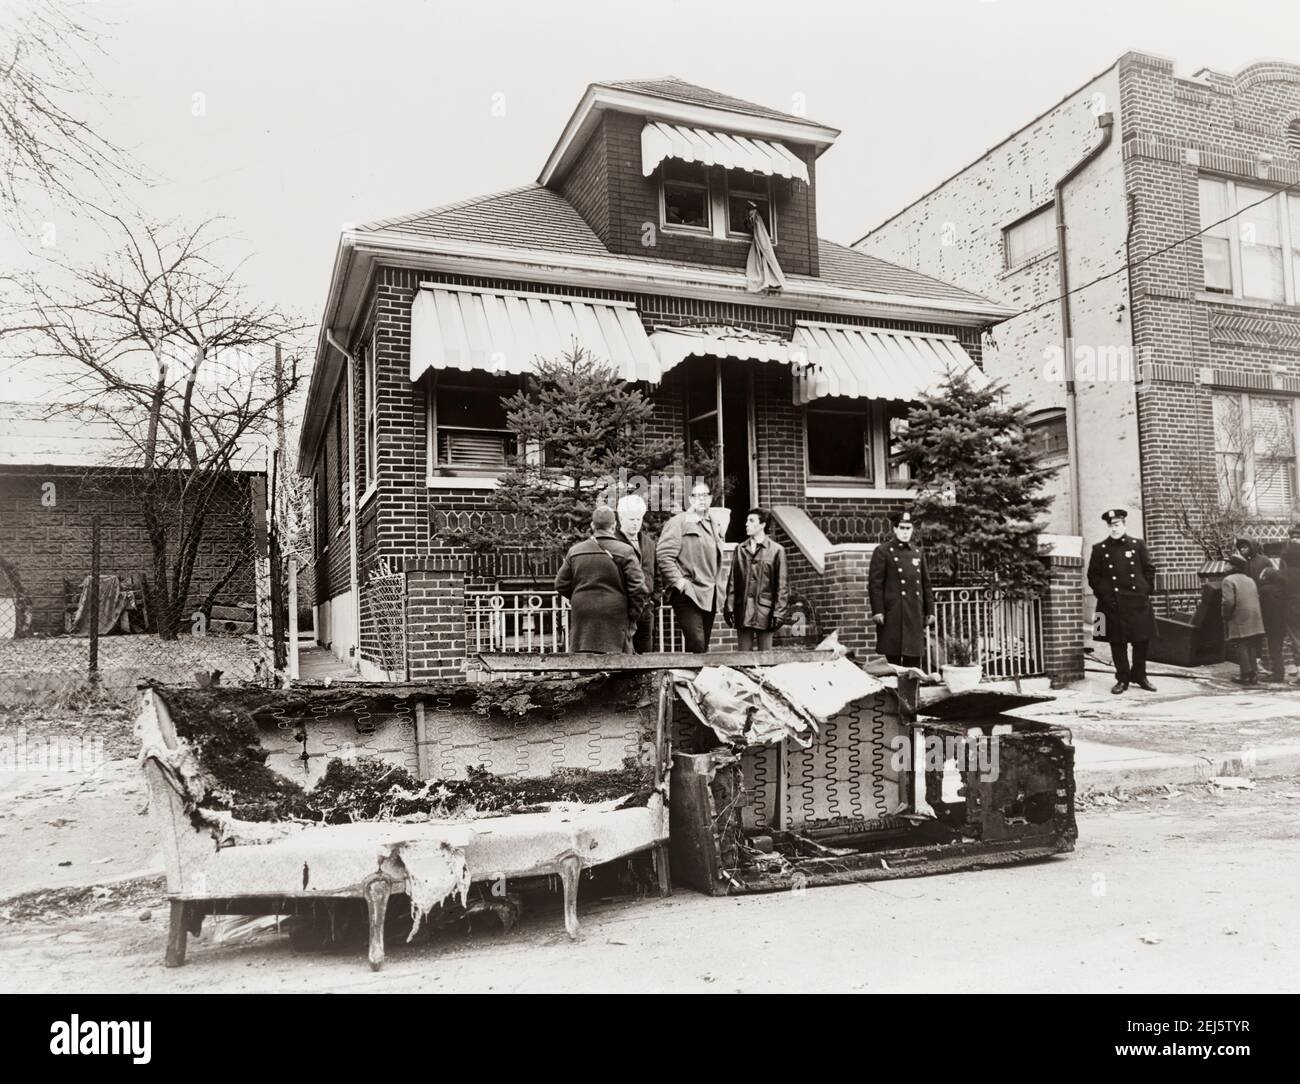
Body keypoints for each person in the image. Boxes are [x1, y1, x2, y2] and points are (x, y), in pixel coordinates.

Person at [554, 505, 648, 653]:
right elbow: (638, 588)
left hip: (583, 613)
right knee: (617, 663)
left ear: (592, 525)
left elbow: (561, 584)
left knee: (583, 658)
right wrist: (633, 614)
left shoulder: (575, 551)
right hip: (615, 614)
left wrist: (581, 596)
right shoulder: (626, 551)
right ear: (614, 526)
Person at [1087, 508, 1157, 694]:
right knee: (1117, 643)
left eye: (1117, 525)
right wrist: (1106, 596)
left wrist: (1145, 592)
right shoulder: (1099, 549)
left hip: (1137, 603)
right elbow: (1093, 577)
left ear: (1124, 525)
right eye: (1110, 526)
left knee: (1141, 641)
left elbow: (1149, 570)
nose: (1114, 529)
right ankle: (1122, 679)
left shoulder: (1138, 545)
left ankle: (1140, 676)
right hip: (1112, 605)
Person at [657, 481, 726, 653]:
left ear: (710, 498)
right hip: (688, 593)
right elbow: (664, 555)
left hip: (709, 593)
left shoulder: (714, 523)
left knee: (702, 647)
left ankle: (694, 679)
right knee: (697, 641)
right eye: (697, 496)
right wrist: (679, 582)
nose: (702, 499)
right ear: (690, 499)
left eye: (706, 495)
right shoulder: (679, 522)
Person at [867, 508, 934, 667]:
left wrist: (929, 611)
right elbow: (875, 584)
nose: (905, 532)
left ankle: (913, 693)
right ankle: (895, 692)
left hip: (914, 614)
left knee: (914, 664)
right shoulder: (883, 551)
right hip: (893, 615)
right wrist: (878, 610)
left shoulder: (918, 552)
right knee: (893, 665)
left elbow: (926, 584)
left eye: (908, 528)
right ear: (895, 529)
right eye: (902, 528)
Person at [724, 508, 789, 651]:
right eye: (747, 520)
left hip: (765, 613)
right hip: (743, 611)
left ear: (762, 525)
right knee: (743, 659)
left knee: (765, 659)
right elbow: (733, 581)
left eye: (751, 521)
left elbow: (782, 586)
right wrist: (729, 608)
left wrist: (779, 613)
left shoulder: (777, 550)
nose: (746, 524)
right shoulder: (740, 549)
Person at [615, 493, 657, 653]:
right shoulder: (614, 542)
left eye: (638, 519)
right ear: (621, 519)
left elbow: (656, 572)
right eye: (631, 519)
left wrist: (655, 600)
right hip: (623, 607)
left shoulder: (648, 543)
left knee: (645, 653)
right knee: (623, 653)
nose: (635, 523)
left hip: (646, 607)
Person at [1221, 552, 1265, 685]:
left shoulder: (1228, 580)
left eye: (1228, 563)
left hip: (1239, 616)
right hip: (1254, 617)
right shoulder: (1249, 579)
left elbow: (1228, 602)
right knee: (1251, 644)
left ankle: (1245, 675)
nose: (1225, 565)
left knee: (1241, 645)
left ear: (1233, 566)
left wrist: (1225, 615)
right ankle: (1253, 674)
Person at [1258, 566, 1291, 684]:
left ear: (1265, 576)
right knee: (1278, 649)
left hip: (1271, 624)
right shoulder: (1280, 589)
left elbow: (1264, 610)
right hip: (1280, 624)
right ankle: (1278, 672)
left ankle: (1278, 675)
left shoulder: (1264, 590)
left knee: (1274, 650)